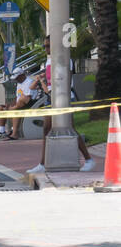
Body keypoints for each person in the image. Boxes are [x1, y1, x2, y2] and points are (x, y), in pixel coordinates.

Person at [36, 36, 93, 169]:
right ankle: (42, 163)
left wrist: (63, 97)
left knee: (70, 128)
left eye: (48, 46)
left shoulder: (64, 58)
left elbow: (67, 79)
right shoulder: (48, 60)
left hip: (64, 97)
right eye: (45, 46)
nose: (46, 49)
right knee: (46, 128)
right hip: (50, 97)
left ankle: (88, 159)